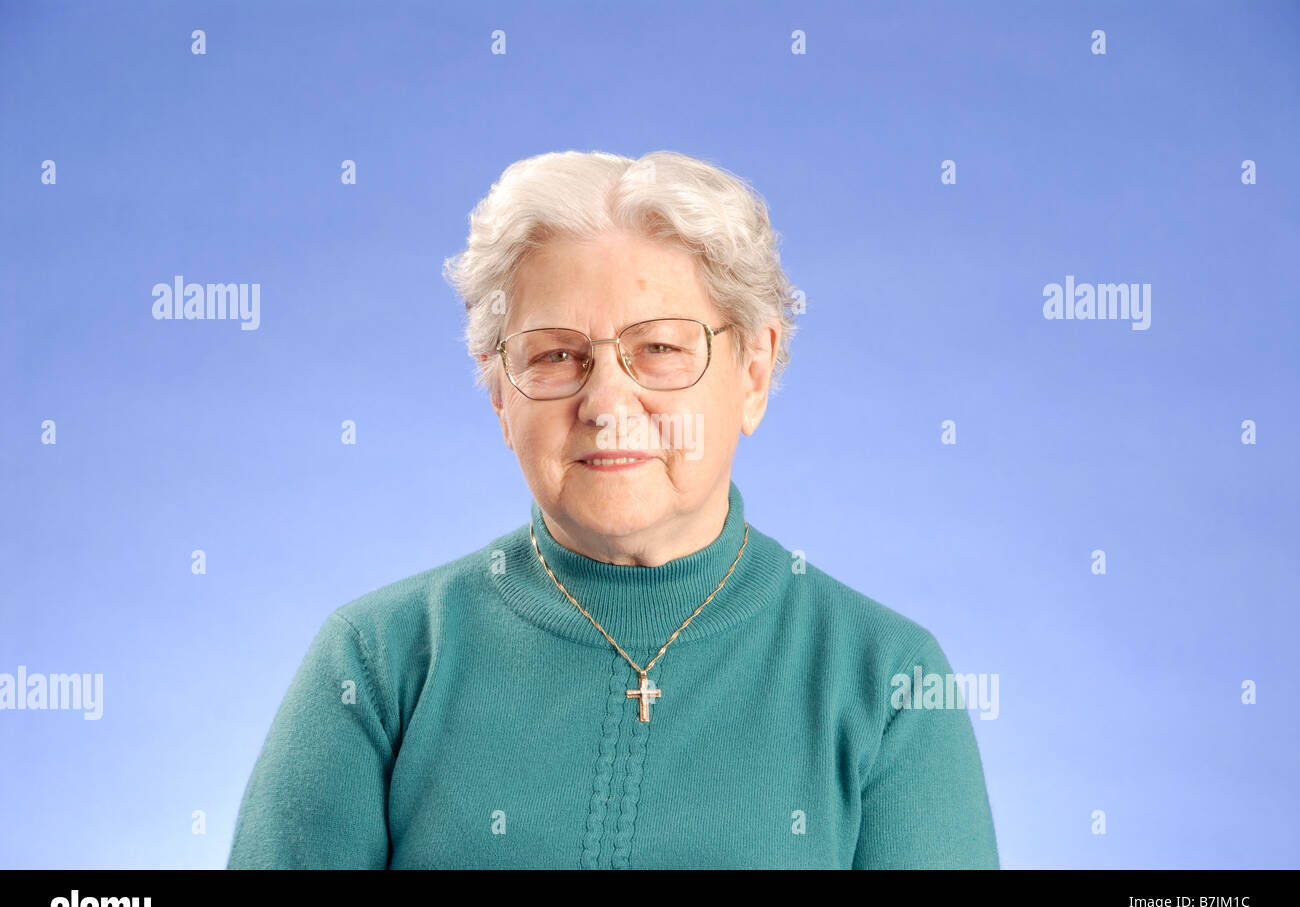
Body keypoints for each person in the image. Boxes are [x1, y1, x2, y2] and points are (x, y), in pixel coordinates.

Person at [227, 149, 999, 869]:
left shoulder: (889, 681)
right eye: (555, 355)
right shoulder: (378, 661)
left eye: (659, 348)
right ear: (500, 393)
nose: (606, 403)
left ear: (754, 372)